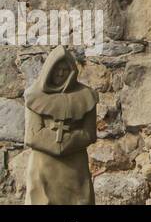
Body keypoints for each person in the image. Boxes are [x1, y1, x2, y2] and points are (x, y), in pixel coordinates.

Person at [24, 46, 98, 205]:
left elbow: (90, 133)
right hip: (43, 164)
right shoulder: (34, 95)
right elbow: (33, 135)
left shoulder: (87, 96)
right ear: (49, 70)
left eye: (65, 70)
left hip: (75, 165)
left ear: (72, 71)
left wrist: (68, 141)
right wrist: (57, 142)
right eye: (57, 69)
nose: (60, 74)